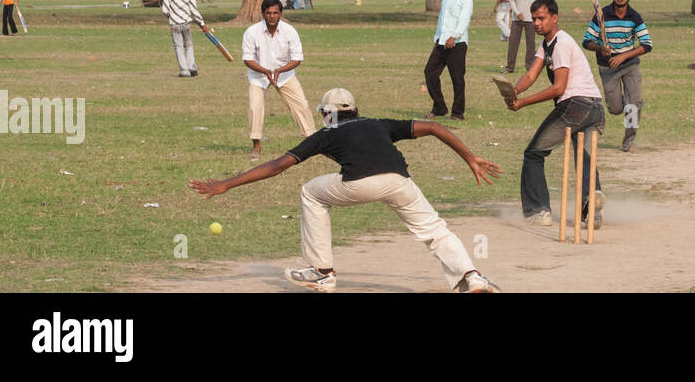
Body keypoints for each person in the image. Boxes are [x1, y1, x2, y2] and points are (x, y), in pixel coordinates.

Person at [188, 87, 502, 293]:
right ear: (355, 109)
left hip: (358, 184)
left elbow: (277, 166)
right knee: (435, 230)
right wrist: (470, 158)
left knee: (311, 192)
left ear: (327, 114)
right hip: (399, 181)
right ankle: (472, 277)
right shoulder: (377, 123)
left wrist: (226, 184)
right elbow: (433, 127)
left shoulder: (324, 133)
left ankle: (322, 271)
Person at [509, 0, 606, 228]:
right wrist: (513, 90)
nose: (536, 23)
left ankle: (538, 211)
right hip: (595, 108)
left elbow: (558, 88)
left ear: (555, 17)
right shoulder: (546, 44)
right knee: (584, 159)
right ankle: (591, 208)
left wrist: (522, 103)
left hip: (576, 105)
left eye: (541, 18)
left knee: (533, 153)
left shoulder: (561, 43)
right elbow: (531, 75)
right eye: (533, 19)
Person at [241, 0, 317, 160]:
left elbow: (297, 59)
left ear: (281, 14)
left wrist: (279, 71)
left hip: (285, 74)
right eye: (268, 13)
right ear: (263, 14)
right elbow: (247, 59)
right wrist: (266, 71)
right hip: (258, 76)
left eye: (275, 13)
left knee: (301, 105)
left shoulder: (290, 31)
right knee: (255, 107)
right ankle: (256, 146)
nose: (272, 16)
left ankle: (312, 142)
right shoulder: (251, 32)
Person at [583, 0, 652, 151]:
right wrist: (600, 48)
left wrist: (623, 56)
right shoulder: (602, 15)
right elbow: (586, 41)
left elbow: (646, 44)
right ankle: (627, 101)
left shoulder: (634, 17)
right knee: (615, 109)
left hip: (629, 65)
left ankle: (628, 141)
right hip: (608, 67)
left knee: (633, 106)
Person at [424, 0, 472, 121]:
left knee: (457, 79)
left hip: (457, 44)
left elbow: (464, 21)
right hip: (441, 43)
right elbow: (442, 21)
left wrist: (454, 37)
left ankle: (458, 112)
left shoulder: (465, 0)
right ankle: (439, 107)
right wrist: (436, 39)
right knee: (430, 73)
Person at [162, 0, 210, 77]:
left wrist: (172, 15)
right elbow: (194, 12)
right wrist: (202, 24)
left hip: (174, 25)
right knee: (189, 45)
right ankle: (191, 67)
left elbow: (165, 11)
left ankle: (184, 71)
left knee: (178, 47)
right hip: (187, 24)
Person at [505, 0, 540, 73]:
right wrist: (518, 12)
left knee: (531, 44)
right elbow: (511, 0)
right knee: (513, 44)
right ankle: (510, 67)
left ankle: (530, 67)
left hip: (531, 19)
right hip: (517, 19)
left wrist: (536, 15)